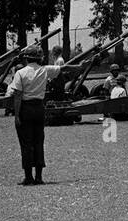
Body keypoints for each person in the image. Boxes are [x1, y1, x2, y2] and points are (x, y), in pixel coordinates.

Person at [5, 44, 75, 186]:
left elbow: (18, 95)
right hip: (39, 108)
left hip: (25, 108)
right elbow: (64, 68)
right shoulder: (45, 70)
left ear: (26, 58)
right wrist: (81, 66)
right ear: (39, 58)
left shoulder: (21, 73)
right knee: (38, 142)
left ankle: (28, 177)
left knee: (26, 143)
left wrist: (17, 115)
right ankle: (39, 177)